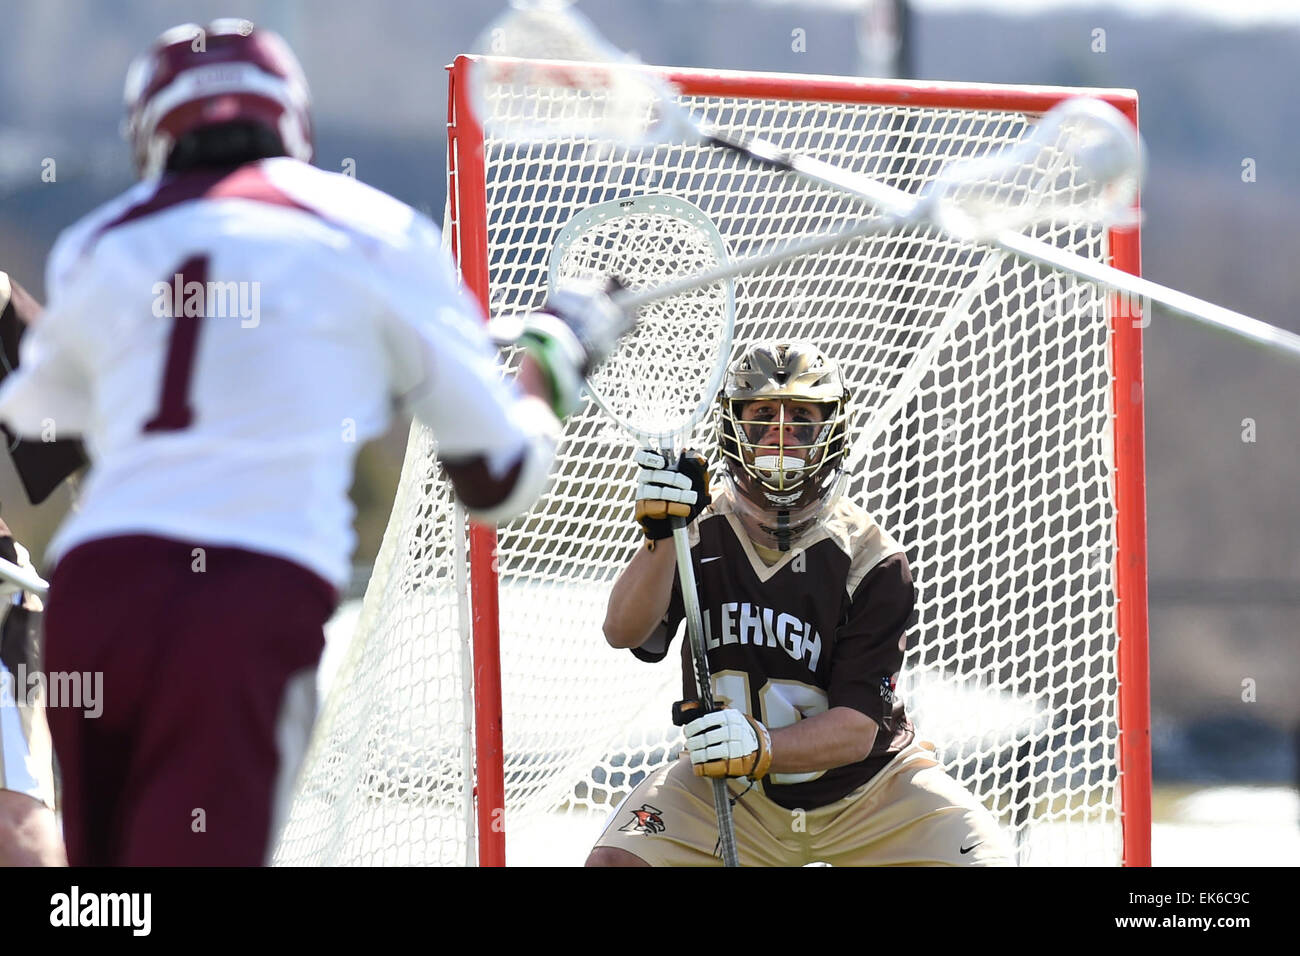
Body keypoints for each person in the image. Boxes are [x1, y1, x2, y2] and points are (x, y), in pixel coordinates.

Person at [0, 19, 628, 866]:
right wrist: (555, 358)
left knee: (106, 891)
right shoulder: (372, 230)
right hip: (243, 594)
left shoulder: (97, 244)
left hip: (95, 593)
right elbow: (499, 476)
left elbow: (46, 435)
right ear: (289, 120)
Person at [588, 342, 1013, 866]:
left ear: (830, 433)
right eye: (764, 414)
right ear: (733, 427)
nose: (782, 433)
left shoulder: (871, 557)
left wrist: (760, 745)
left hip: (870, 792)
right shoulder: (697, 529)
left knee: (986, 861)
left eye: (802, 419)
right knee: (616, 863)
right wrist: (660, 535)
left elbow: (857, 730)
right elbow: (624, 631)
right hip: (734, 792)